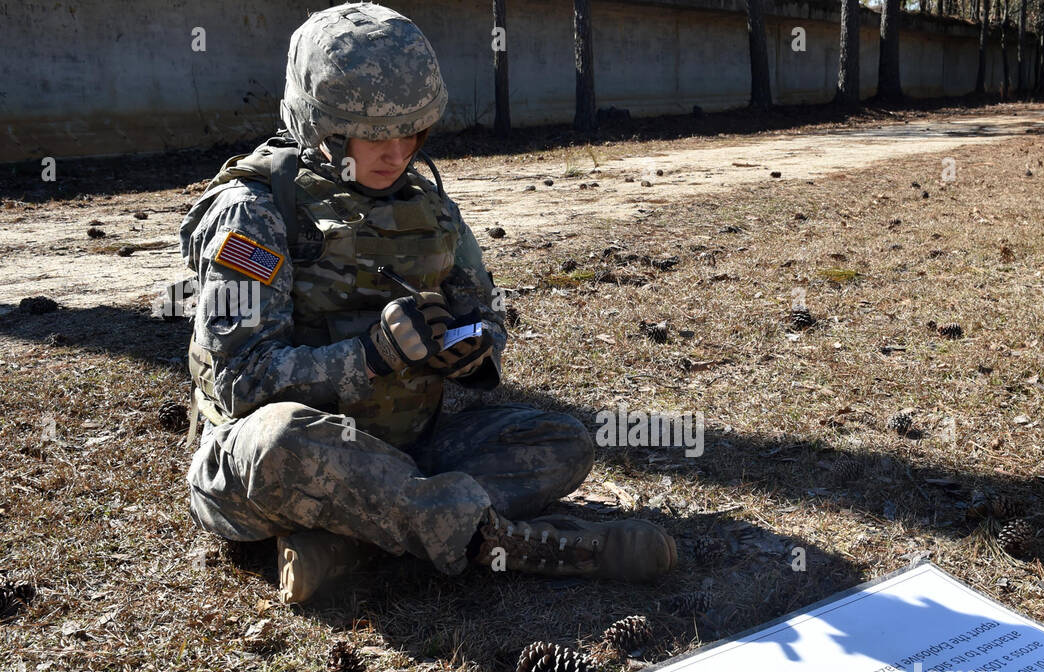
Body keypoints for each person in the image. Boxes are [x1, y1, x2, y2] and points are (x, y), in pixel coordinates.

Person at [178, 2, 676, 604]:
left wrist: (469, 351)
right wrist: (370, 357)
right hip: (268, 466)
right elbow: (239, 382)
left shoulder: (430, 206)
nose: (397, 152)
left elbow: (481, 315)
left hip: (405, 447)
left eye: (412, 132)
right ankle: (508, 543)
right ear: (323, 127)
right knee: (278, 440)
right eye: (376, 135)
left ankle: (351, 540)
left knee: (561, 441)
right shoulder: (255, 212)